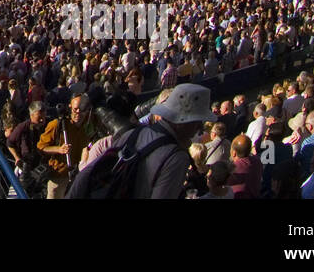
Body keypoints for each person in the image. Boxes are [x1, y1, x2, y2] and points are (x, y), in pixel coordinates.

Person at [71, 83, 213, 199]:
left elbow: (84, 176)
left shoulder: (134, 133)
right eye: (196, 121)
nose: (200, 127)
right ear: (181, 122)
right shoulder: (177, 157)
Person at [37, 95, 89, 199]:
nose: (78, 112)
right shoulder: (57, 125)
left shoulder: (87, 126)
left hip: (76, 177)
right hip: (58, 176)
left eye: (82, 110)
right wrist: (59, 149)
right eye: (75, 109)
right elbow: (41, 147)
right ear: (70, 108)